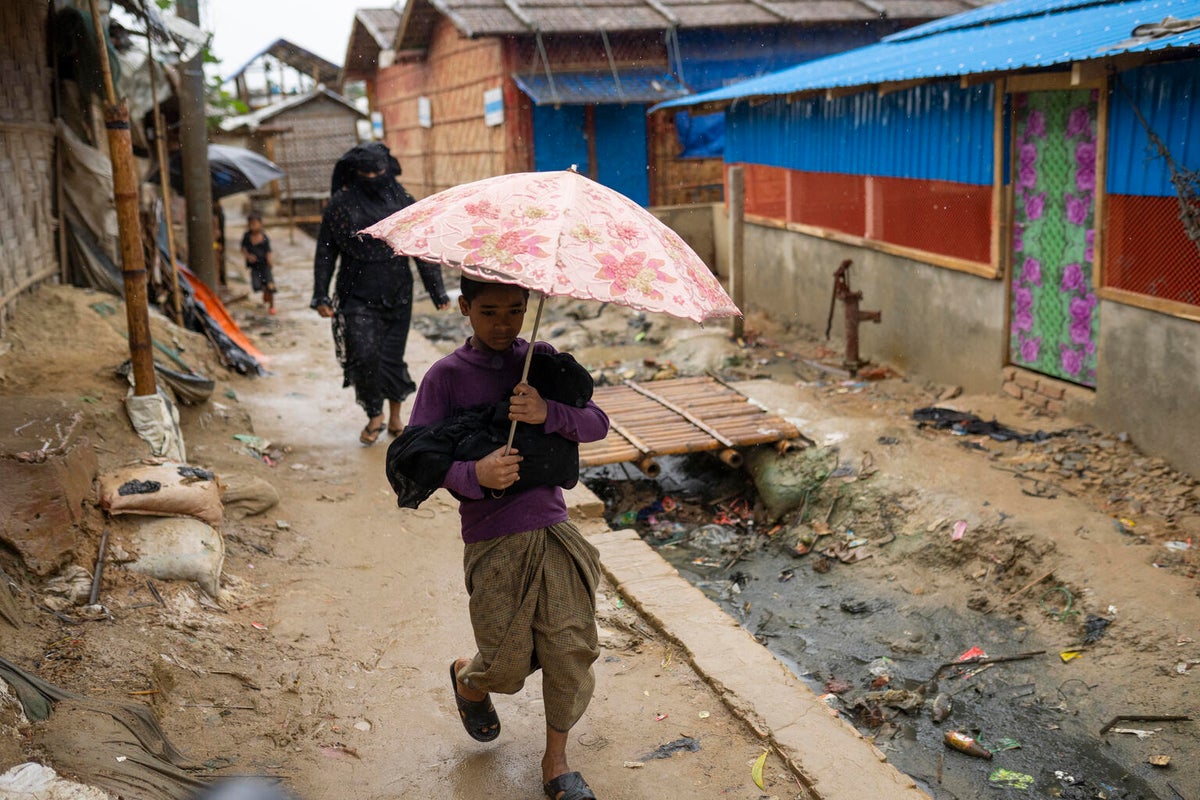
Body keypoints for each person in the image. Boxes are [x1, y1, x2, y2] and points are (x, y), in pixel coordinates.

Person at [405, 276, 609, 800]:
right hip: (491, 537)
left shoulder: (539, 362)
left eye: (515, 310)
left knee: (570, 646)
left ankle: (556, 763)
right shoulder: (446, 377)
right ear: (464, 309)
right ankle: (469, 680)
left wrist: (549, 412)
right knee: (506, 665)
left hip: (552, 527)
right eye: (490, 311)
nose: (504, 324)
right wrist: (474, 475)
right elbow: (414, 456)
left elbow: (597, 424)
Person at [312, 142, 450, 446]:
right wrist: (320, 294)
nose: (374, 176)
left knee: (391, 357)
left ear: (388, 168)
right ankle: (375, 413)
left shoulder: (402, 200)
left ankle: (396, 414)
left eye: (379, 171)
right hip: (355, 293)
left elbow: (420, 246)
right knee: (364, 355)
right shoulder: (340, 205)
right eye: (367, 172)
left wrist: (436, 289)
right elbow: (326, 252)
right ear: (355, 172)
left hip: (397, 292)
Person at [240, 212, 275, 314]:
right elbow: (243, 249)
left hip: (265, 265)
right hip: (255, 267)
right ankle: (265, 293)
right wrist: (248, 256)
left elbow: (268, 251)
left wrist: (270, 261)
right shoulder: (247, 236)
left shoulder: (264, 237)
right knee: (256, 285)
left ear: (260, 224)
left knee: (270, 284)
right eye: (251, 224)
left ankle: (272, 306)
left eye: (255, 223)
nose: (253, 226)